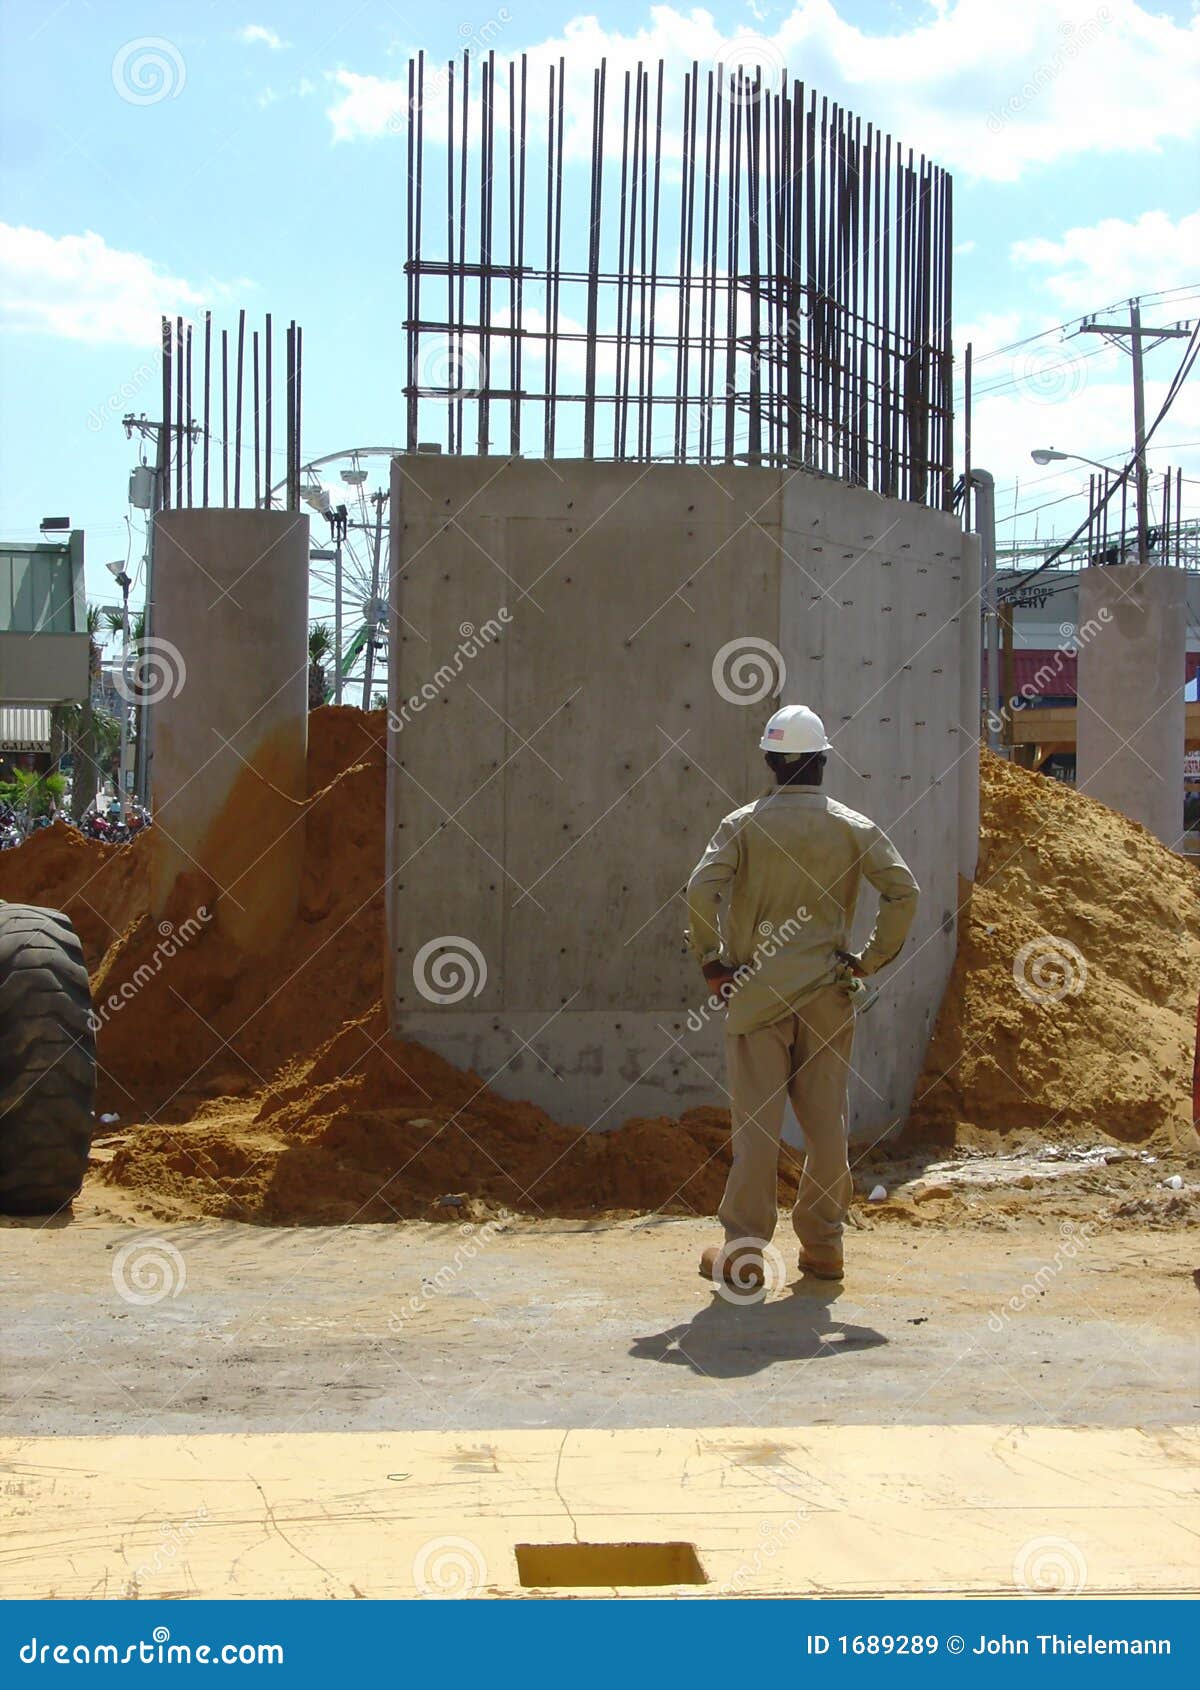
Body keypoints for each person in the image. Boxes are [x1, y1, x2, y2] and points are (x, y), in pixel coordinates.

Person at [686, 704, 919, 1286]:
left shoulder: (742, 825)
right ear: (821, 763)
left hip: (756, 996)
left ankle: (744, 1256)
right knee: (826, 1127)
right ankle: (824, 1248)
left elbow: (701, 890)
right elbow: (903, 892)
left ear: (770, 762)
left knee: (756, 1131)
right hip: (826, 995)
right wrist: (867, 960)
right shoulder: (852, 826)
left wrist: (712, 962)